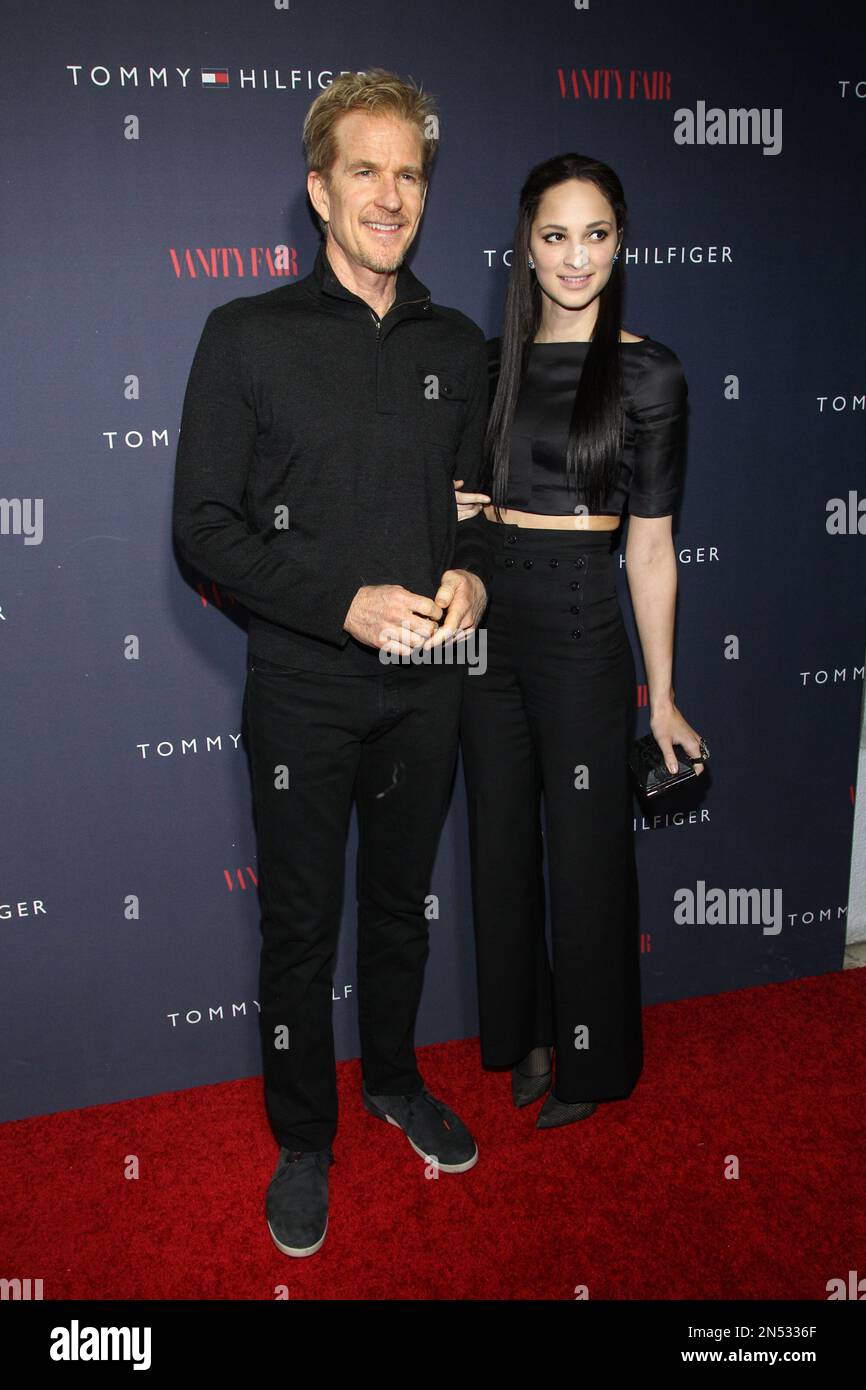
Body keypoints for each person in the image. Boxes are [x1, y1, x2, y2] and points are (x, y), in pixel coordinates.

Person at [171, 70, 490, 1258]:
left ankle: (396, 1083)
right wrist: (340, 606)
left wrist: (470, 571)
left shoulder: (457, 342)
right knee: (300, 925)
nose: (389, 194)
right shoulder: (245, 334)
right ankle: (304, 1138)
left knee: (399, 911)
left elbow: (474, 506)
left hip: (428, 686)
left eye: (409, 173)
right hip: (302, 687)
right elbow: (202, 525)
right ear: (318, 189)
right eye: (365, 168)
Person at [459, 152, 705, 1129]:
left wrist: (665, 693)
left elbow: (650, 549)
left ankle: (589, 1057)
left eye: (594, 234)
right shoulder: (486, 366)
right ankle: (523, 1030)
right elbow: (462, 505)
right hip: (487, 629)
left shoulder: (648, 372)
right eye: (554, 235)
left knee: (588, 849)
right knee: (499, 838)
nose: (574, 257)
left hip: (576, 622)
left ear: (618, 240)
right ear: (524, 243)